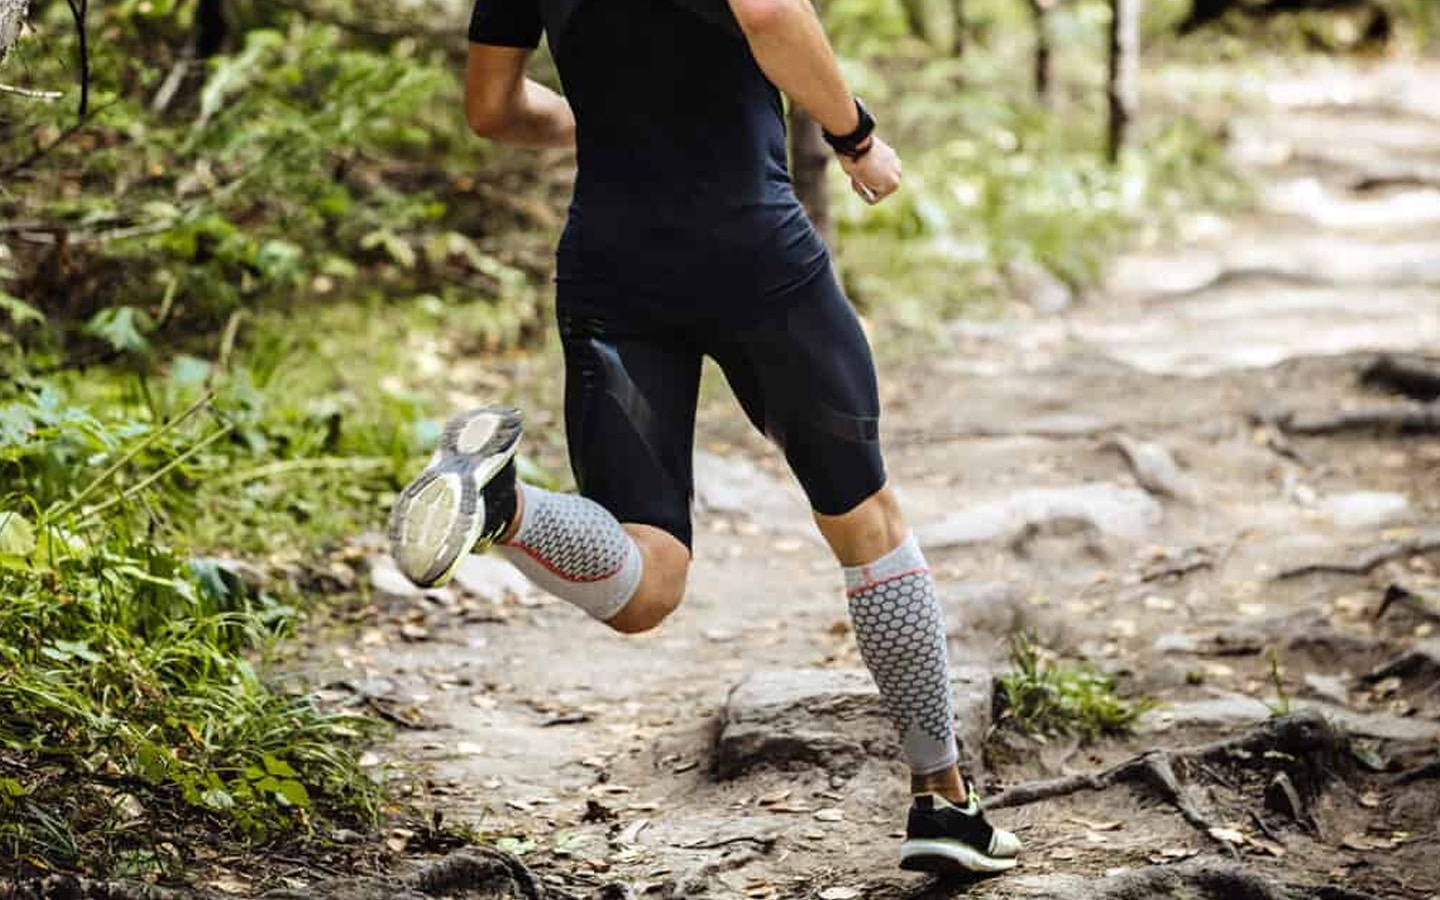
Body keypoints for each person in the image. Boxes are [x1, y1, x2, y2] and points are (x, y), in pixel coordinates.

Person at [389, 0, 1023, 875]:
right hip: (754, 257)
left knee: (646, 582)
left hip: (611, 266)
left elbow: (492, 109)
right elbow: (769, 10)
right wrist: (855, 136)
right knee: (865, 519)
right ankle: (944, 801)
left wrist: (603, 121)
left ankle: (503, 506)